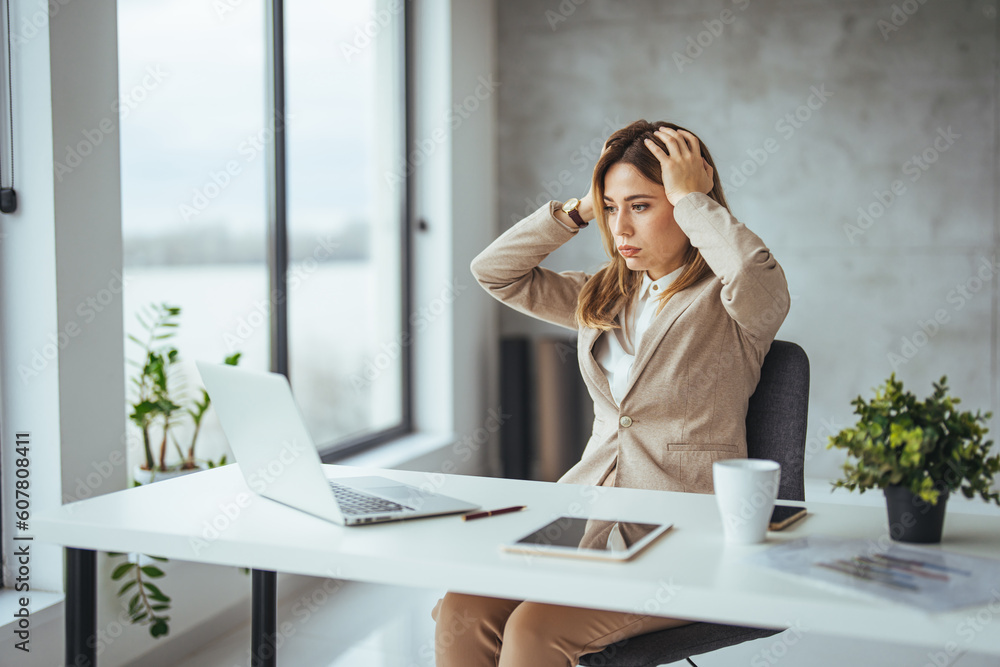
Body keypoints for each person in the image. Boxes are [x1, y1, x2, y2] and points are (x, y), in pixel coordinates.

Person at [432, 119, 790, 667]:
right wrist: (576, 210)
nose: (620, 226)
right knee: (463, 607)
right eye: (610, 206)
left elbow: (748, 266)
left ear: (686, 198)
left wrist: (692, 199)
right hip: (586, 511)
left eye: (641, 205)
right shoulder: (602, 293)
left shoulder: (735, 300)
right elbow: (494, 272)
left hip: (685, 531)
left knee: (534, 628)